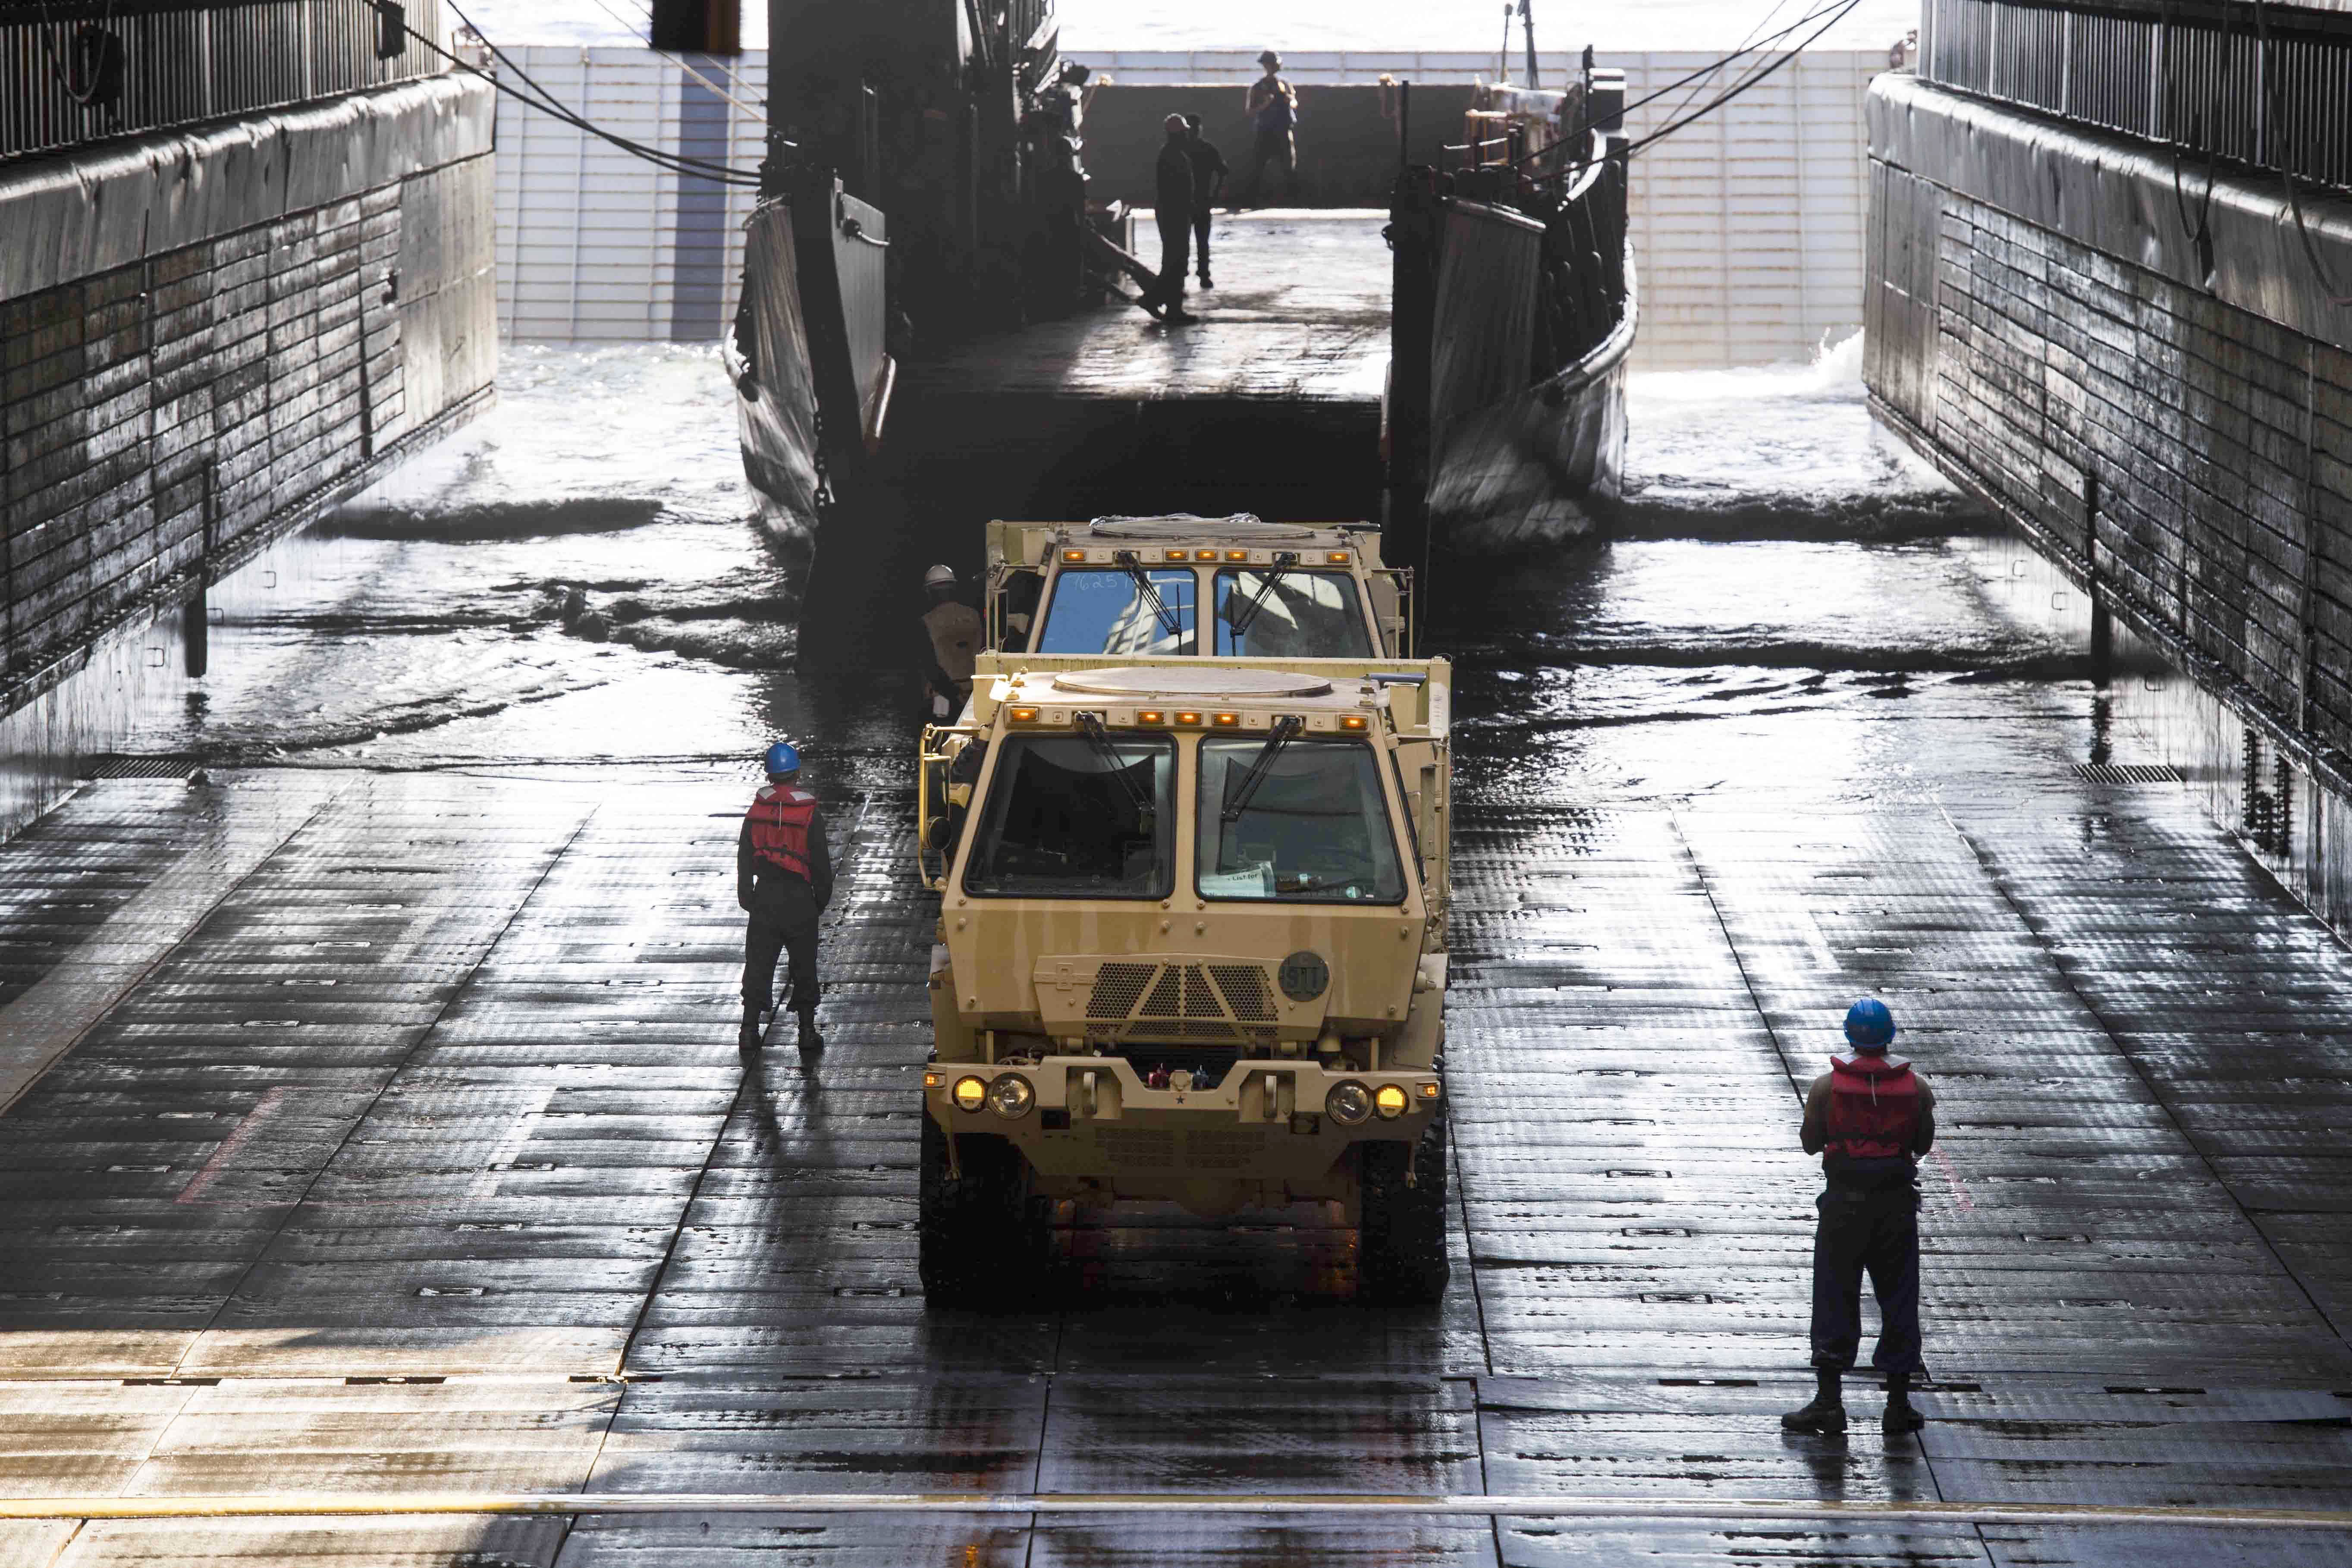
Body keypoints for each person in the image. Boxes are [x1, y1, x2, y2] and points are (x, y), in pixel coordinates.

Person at [1783, 998, 1938, 1436]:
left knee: (1834, 1297)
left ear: (1849, 1036)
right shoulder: (1916, 1088)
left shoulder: (1825, 1087)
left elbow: (1810, 1143)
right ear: (1890, 1036)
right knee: (1899, 1300)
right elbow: (1923, 1144)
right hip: (1894, 1208)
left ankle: (1829, 1403)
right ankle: (1897, 1405)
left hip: (1842, 1208)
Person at [737, 741, 834, 1053]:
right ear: (797, 773)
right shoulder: (810, 814)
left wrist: (747, 896)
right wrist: (819, 901)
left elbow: (744, 857)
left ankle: (748, 1031)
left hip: (765, 897)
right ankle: (806, 1033)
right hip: (799, 899)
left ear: (769, 775)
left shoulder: (756, 813)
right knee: (804, 968)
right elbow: (820, 864)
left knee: (758, 966)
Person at [1149, 113, 1198, 324]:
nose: (1187, 136)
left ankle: (1164, 303)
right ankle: (1169, 307)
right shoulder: (1173, 156)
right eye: (1184, 133)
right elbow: (1176, 190)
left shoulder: (1172, 154)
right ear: (1177, 135)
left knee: (1174, 260)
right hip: (1174, 214)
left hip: (1174, 213)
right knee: (1176, 261)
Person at [922, 564, 986, 721]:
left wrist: (954, 693)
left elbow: (929, 666)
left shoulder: (926, 622)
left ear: (929, 591)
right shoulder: (974, 615)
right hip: (976, 691)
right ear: (954, 588)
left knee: (942, 732)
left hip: (943, 697)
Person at [1238, 50, 1298, 207]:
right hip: (1265, 131)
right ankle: (1253, 200)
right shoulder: (1257, 87)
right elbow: (1250, 111)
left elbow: (1294, 102)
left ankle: (1292, 200)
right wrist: (1265, 104)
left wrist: (1289, 100)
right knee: (1258, 167)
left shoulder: (1285, 84)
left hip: (1283, 130)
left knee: (1289, 166)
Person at [1182, 114, 1228, 288]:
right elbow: (1223, 172)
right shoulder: (1207, 148)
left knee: (1182, 243)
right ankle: (1203, 275)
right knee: (1202, 242)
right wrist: (1214, 195)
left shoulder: (1181, 150)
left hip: (1185, 203)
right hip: (1202, 202)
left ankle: (1182, 275)